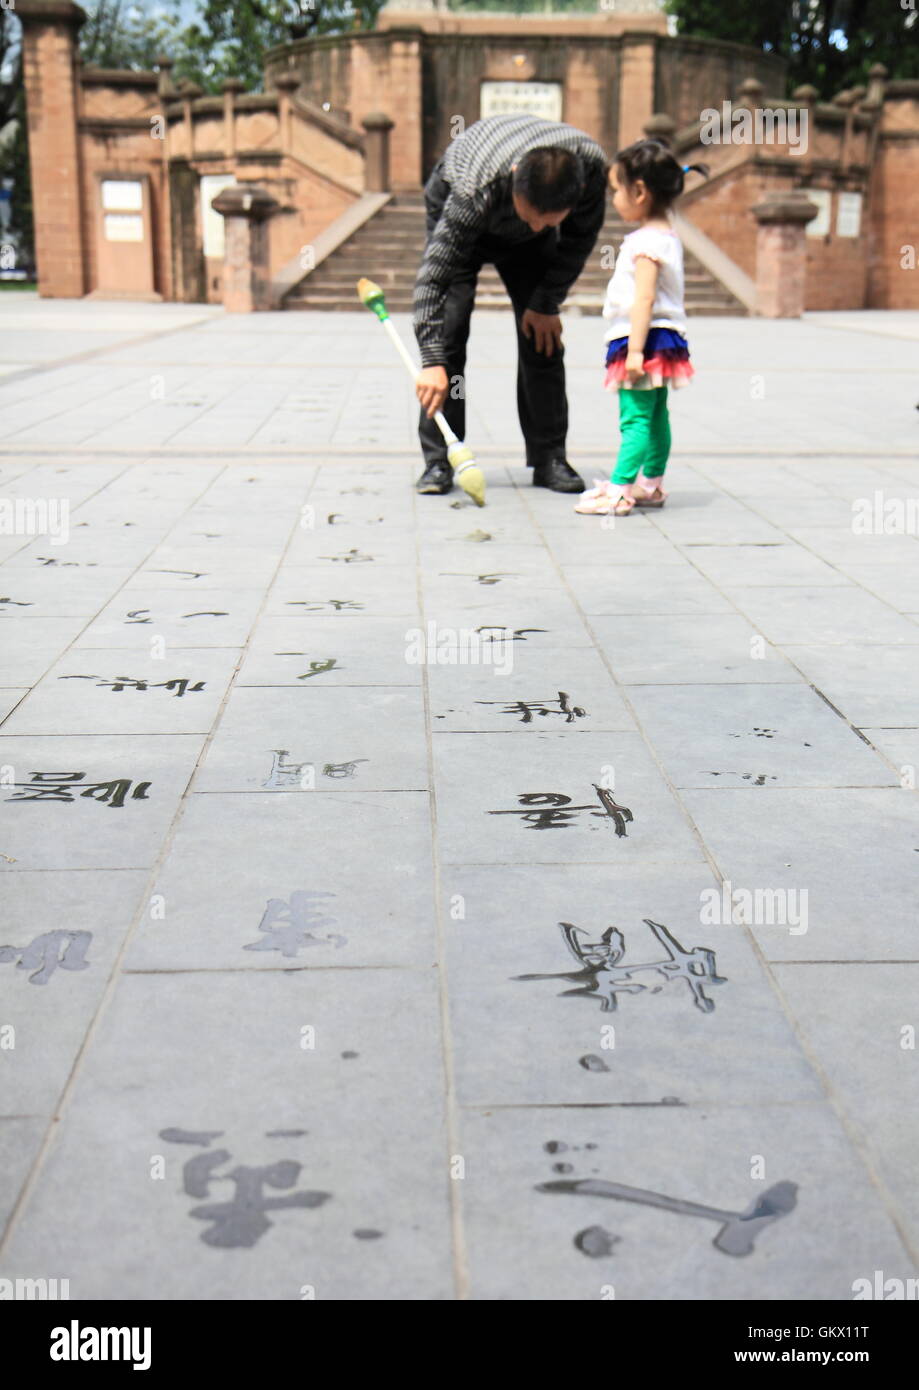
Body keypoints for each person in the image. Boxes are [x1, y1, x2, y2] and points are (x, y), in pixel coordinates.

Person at [412, 114, 610, 496]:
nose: (538, 227)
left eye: (547, 222)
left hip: (526, 248)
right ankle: (440, 459)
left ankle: (550, 455)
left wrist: (546, 301)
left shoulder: (590, 175)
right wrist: (432, 359)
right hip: (463, 207)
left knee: (543, 336)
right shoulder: (474, 192)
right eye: (531, 217)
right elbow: (432, 280)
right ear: (516, 179)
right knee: (449, 334)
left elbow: (578, 243)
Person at [575, 140, 708, 517]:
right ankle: (651, 483)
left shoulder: (645, 243)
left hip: (643, 339)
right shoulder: (667, 236)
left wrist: (634, 351)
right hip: (664, 339)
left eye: (617, 189)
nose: (614, 198)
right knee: (656, 414)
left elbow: (644, 299)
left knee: (634, 416)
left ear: (640, 192)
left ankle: (619, 490)